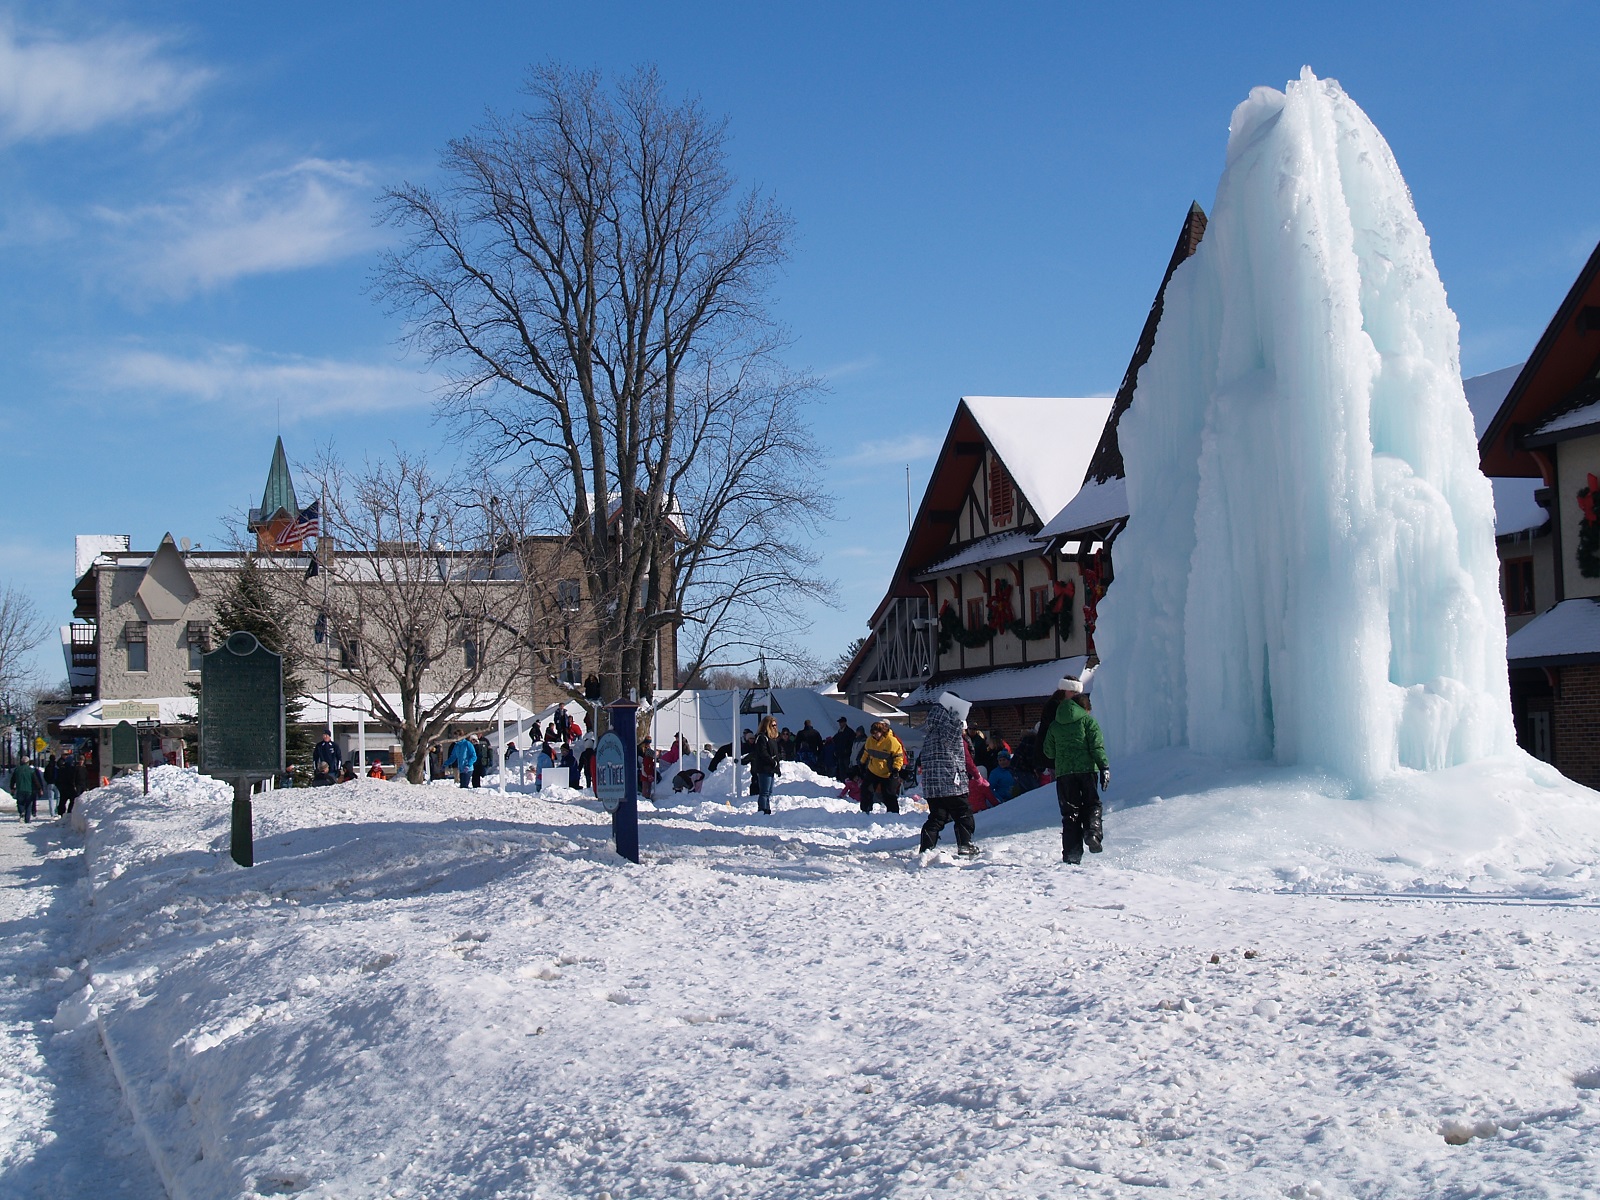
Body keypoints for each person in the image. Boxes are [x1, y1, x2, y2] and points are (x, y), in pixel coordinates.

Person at [1041, 676, 1109, 864]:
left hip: (1064, 774)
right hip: (1086, 770)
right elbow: (1096, 747)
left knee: (1070, 814)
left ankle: (1071, 855)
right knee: (1092, 804)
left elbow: (1048, 750)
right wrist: (1104, 767)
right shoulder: (1088, 722)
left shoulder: (1055, 723)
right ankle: (1093, 833)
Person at [918, 693, 978, 856]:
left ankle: (926, 850)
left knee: (937, 817)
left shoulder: (930, 731)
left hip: (933, 786)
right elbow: (954, 734)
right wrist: (958, 719)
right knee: (963, 813)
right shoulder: (949, 725)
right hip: (952, 782)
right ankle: (965, 845)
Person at [858, 720, 905, 814]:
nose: (874, 736)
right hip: (873, 770)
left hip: (888, 773)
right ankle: (865, 811)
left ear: (882, 731)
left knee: (889, 794)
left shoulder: (892, 741)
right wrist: (862, 763)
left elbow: (898, 757)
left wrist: (896, 769)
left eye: (876, 733)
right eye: (873, 733)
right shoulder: (870, 740)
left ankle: (893, 814)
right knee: (866, 790)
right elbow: (866, 752)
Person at [750, 715, 780, 815]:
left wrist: (776, 766)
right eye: (772, 725)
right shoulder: (762, 737)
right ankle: (762, 810)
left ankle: (767, 809)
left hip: (771, 768)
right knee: (764, 792)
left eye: (775, 725)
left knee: (769, 792)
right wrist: (772, 761)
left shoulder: (772, 739)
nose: (774, 727)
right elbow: (763, 753)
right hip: (764, 768)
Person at [11, 757, 41, 823]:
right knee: (28, 804)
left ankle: (21, 812)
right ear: (28, 762)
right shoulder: (31, 770)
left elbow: (12, 780)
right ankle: (27, 819)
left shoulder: (17, 770)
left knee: (20, 803)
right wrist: (39, 788)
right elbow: (35, 780)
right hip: (29, 790)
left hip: (20, 789)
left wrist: (12, 788)